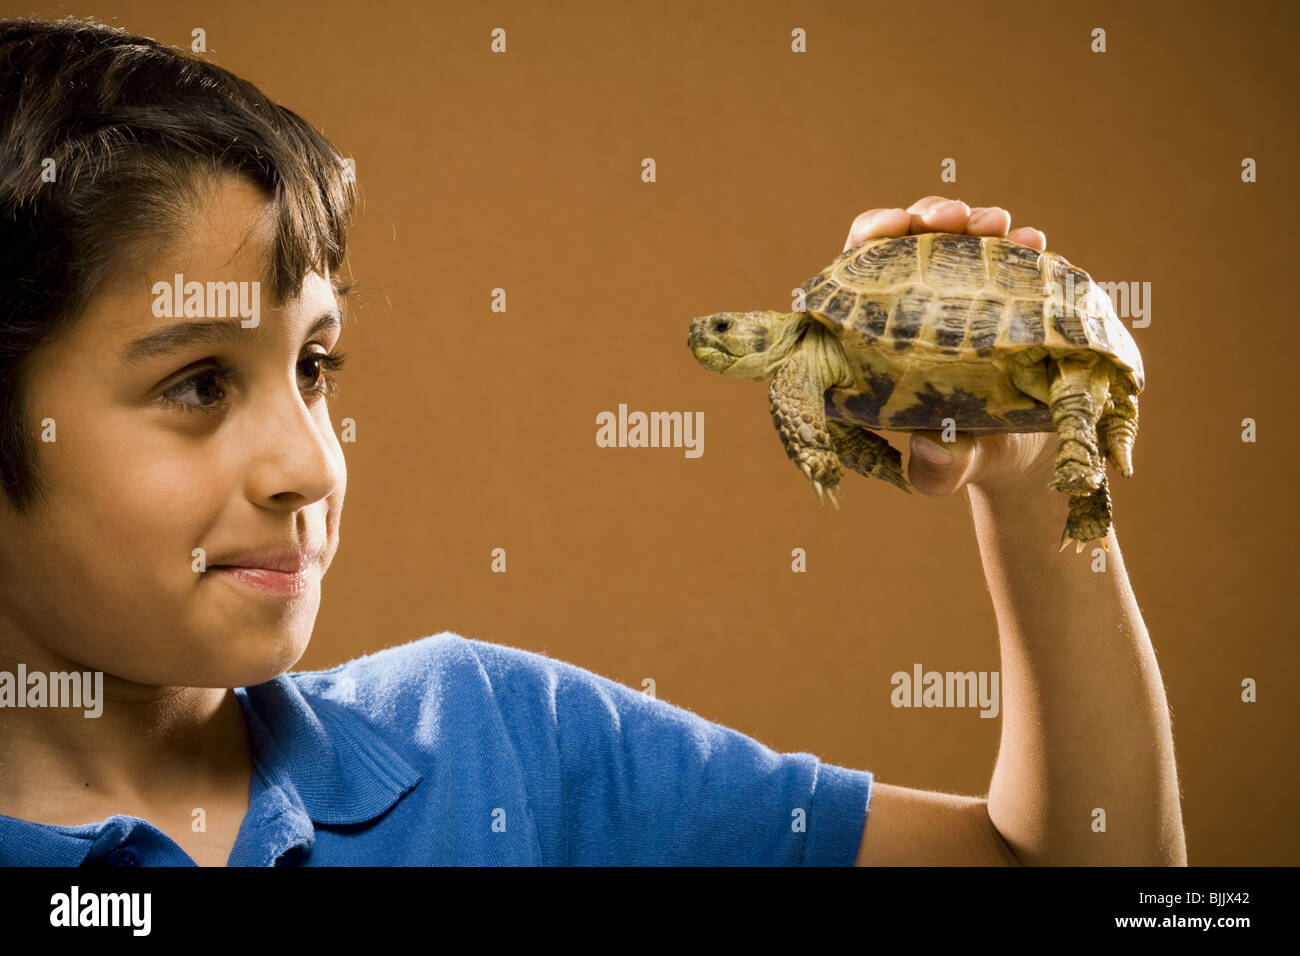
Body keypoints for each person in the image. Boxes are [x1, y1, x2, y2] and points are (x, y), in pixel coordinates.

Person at [0, 17, 1186, 866]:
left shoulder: (499, 748)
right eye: (200, 383)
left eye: (315, 367)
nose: (307, 464)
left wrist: (1030, 478)